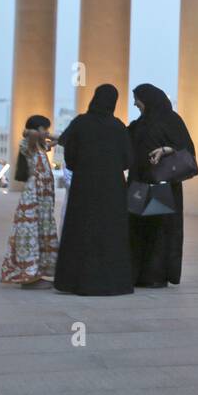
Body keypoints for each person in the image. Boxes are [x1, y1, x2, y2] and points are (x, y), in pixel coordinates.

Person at [53, 84, 134, 297]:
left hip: (84, 188)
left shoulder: (80, 123)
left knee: (82, 231)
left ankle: (76, 281)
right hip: (112, 190)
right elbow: (127, 160)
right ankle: (110, 282)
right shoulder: (118, 127)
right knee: (110, 233)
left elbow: (69, 157)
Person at [127, 83, 194, 289]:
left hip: (162, 186)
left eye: (138, 99)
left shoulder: (172, 121)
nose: (135, 103)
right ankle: (136, 273)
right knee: (137, 229)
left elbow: (187, 150)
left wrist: (165, 149)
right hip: (139, 184)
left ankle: (156, 275)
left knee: (160, 230)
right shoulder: (139, 124)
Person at [0, 114, 58, 288]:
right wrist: (40, 133)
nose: (47, 132)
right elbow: (31, 134)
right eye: (44, 128)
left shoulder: (40, 146)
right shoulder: (28, 143)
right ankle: (28, 276)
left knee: (41, 231)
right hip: (34, 195)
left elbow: (55, 141)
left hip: (43, 197)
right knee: (31, 231)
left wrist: (48, 137)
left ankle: (38, 272)